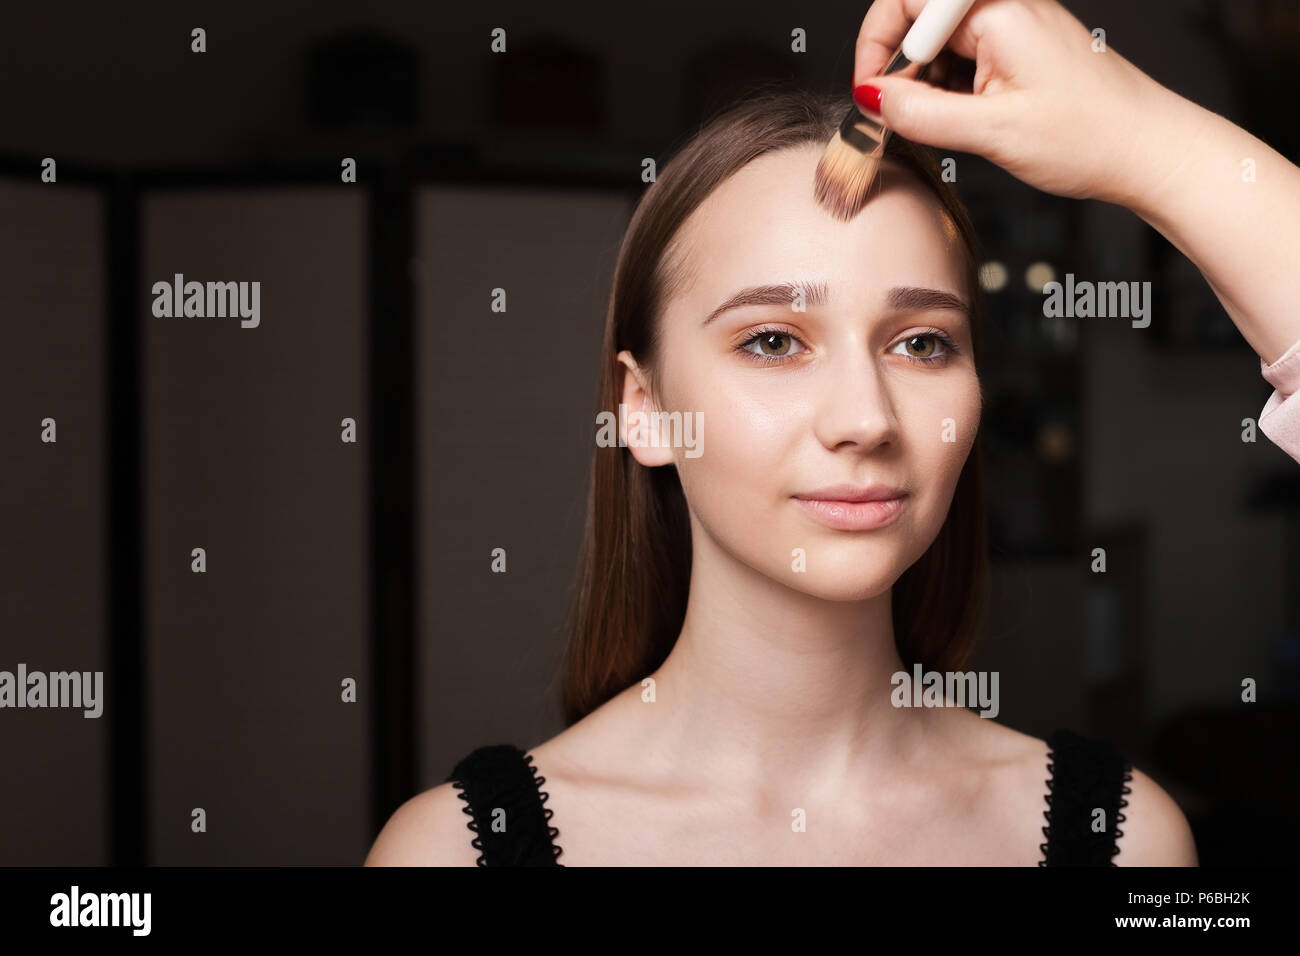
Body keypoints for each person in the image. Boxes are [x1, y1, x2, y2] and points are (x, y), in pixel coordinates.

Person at [366, 0, 1297, 866]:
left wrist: (1150, 146)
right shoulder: (455, 852)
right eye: (773, 341)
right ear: (640, 409)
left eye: (923, 342)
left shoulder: (1123, 838)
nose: (865, 419)